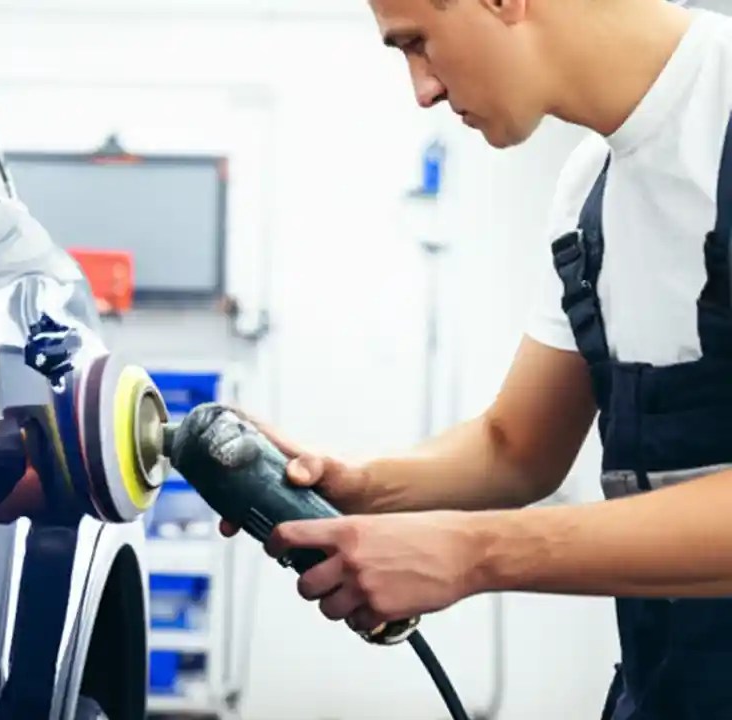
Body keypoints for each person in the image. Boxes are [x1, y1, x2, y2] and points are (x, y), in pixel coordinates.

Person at [214, 1, 732, 718]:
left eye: (417, 43)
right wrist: (361, 485)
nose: (421, 89)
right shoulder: (590, 191)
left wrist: (473, 551)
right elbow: (515, 448)